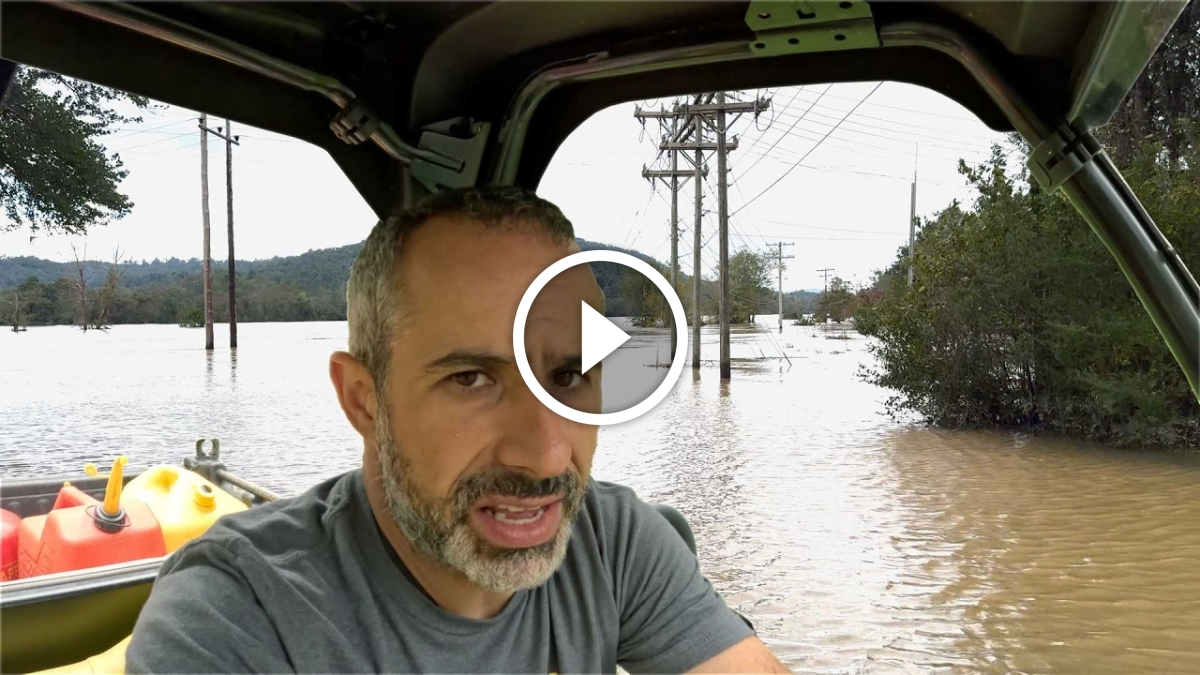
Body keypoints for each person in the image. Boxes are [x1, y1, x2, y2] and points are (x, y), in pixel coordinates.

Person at [126, 186, 790, 674]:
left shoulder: (611, 544)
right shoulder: (236, 615)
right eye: (472, 378)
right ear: (364, 399)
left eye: (567, 377)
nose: (545, 453)